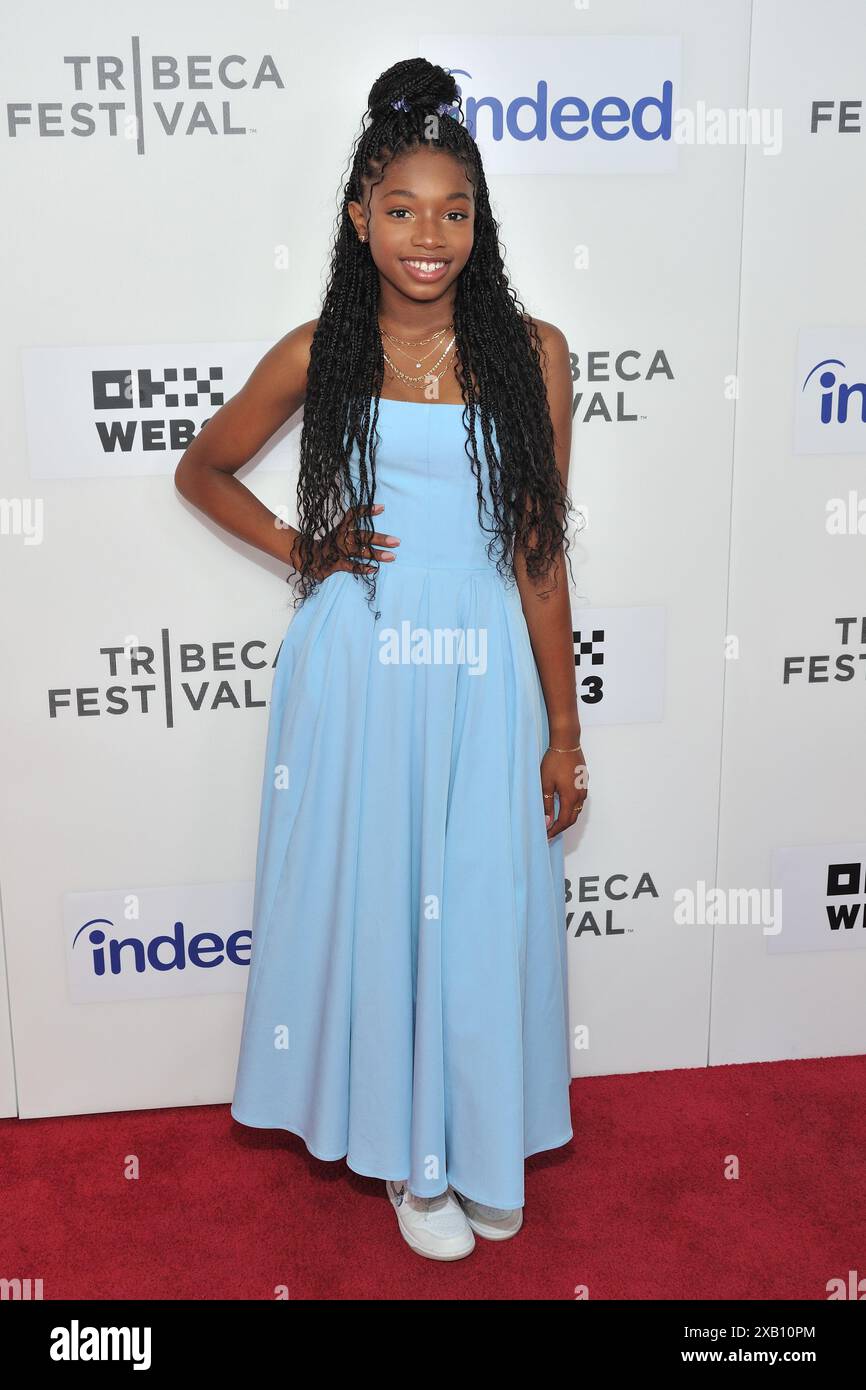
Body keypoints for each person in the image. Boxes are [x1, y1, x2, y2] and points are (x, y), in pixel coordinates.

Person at [174, 56, 588, 1263]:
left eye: (453, 212)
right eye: (401, 209)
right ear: (360, 216)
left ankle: (483, 1138)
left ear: (480, 222)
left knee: (483, 912)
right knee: (384, 910)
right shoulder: (323, 351)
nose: (428, 235)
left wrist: (561, 729)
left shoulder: (535, 352)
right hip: (358, 668)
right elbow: (199, 468)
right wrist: (305, 545)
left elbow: (538, 555)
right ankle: (413, 1167)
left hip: (478, 669)